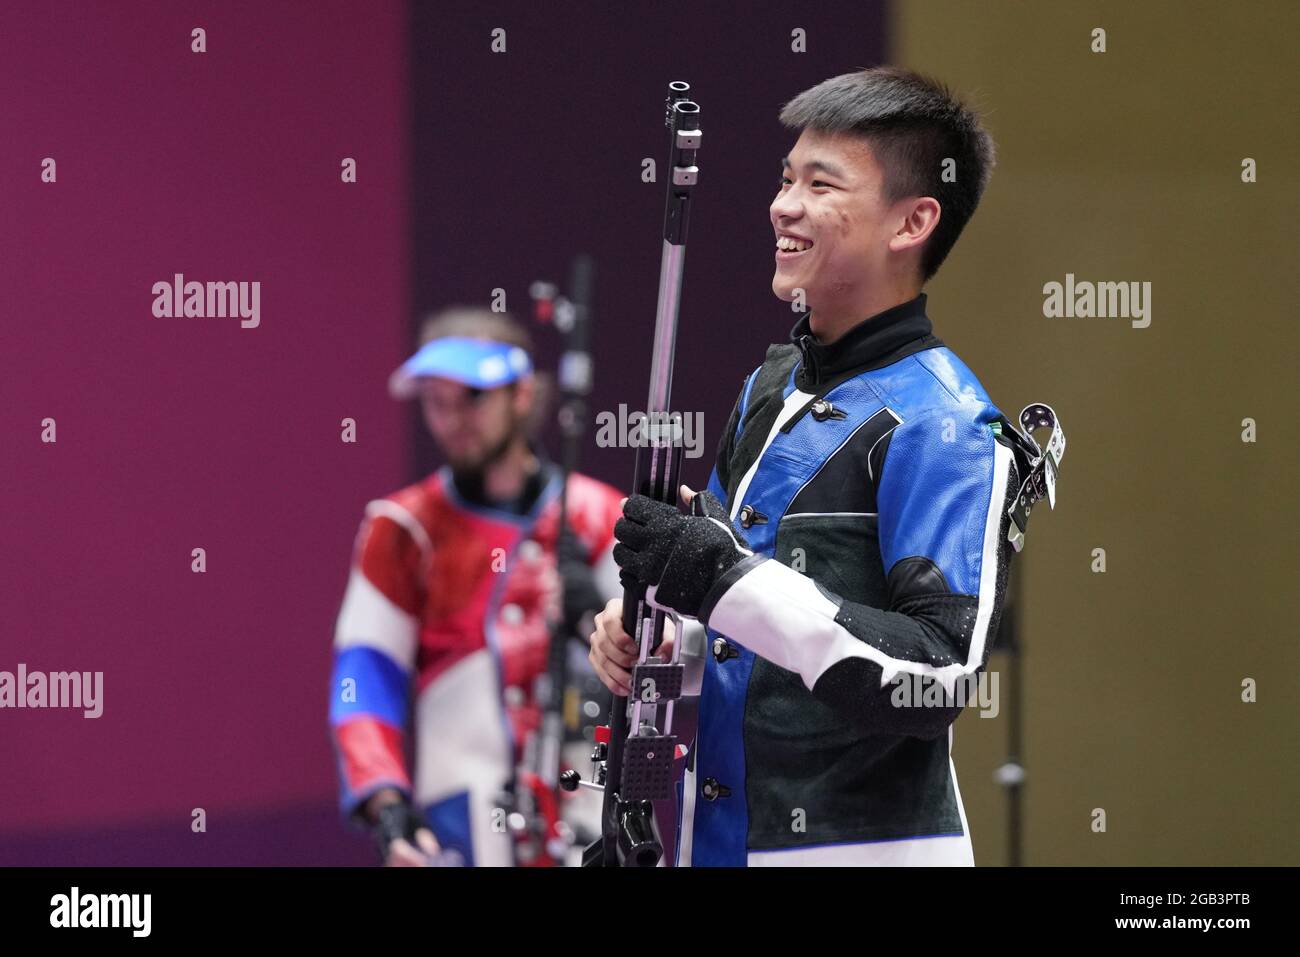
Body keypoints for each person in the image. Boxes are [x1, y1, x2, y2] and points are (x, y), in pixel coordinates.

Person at [591, 66, 1063, 866]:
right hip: (719, 842)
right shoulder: (769, 385)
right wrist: (662, 636)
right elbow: (744, 625)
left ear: (911, 221)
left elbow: (939, 676)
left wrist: (718, 575)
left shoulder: (946, 423)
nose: (783, 204)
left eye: (821, 183)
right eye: (785, 179)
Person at [330, 307, 624, 866]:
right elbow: (363, 682)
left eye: (471, 397)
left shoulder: (603, 517)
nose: (451, 419)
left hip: (591, 819)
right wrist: (386, 807)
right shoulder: (402, 529)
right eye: (435, 402)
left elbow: (667, 672)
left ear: (521, 395)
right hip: (459, 827)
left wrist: (598, 617)